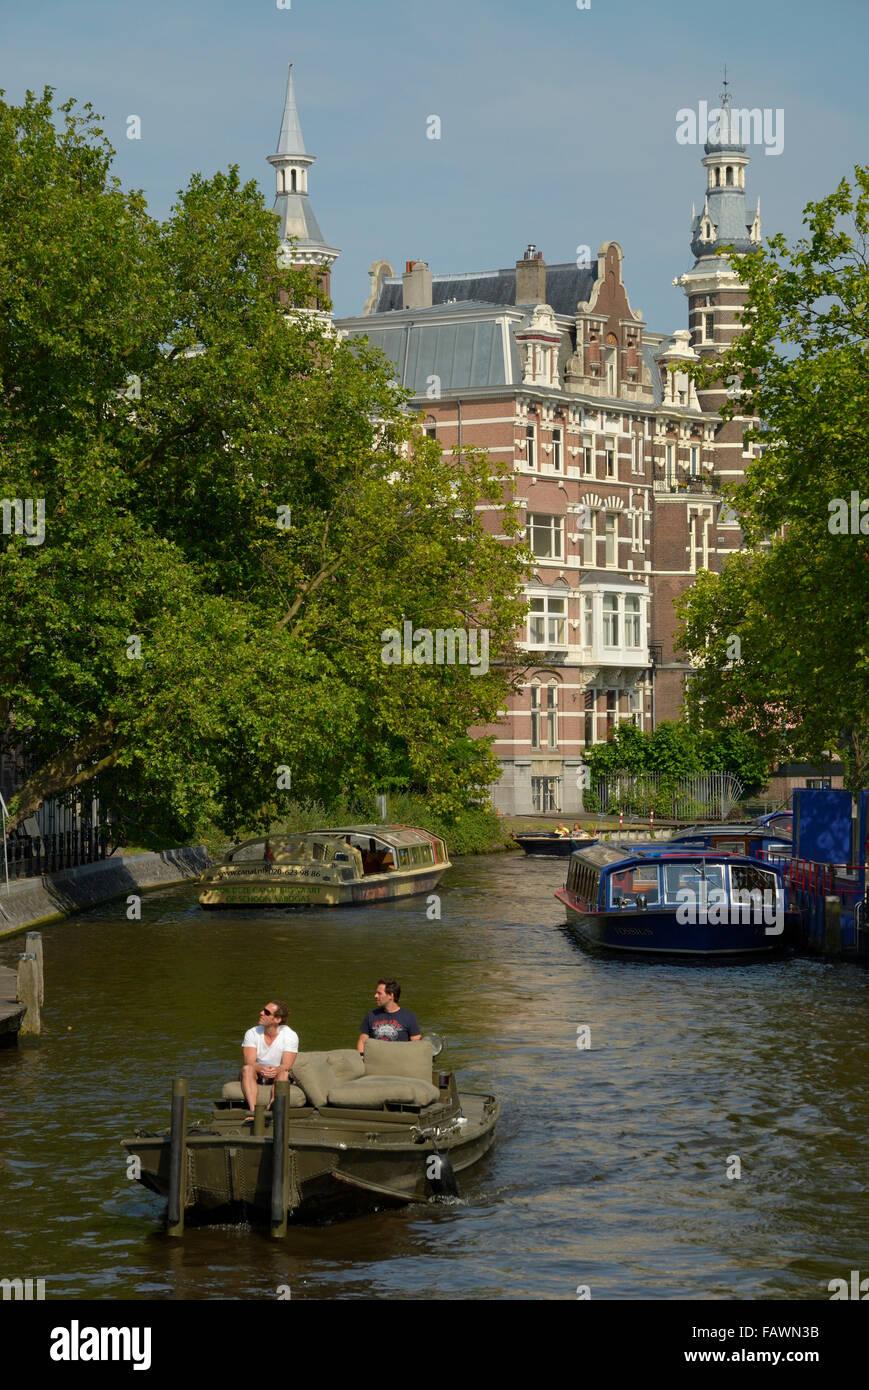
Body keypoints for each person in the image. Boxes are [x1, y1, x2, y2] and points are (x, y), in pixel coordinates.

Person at [241, 1000, 298, 1116]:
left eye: (267, 1012)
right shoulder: (252, 1033)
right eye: (263, 1010)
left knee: (284, 1072)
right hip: (257, 1073)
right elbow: (250, 1061)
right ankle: (253, 1112)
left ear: (277, 1019)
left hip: (278, 1073)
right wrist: (261, 1069)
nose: (261, 1013)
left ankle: (271, 1109)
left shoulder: (290, 1036)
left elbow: (287, 1065)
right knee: (247, 1069)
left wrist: (274, 1070)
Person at [356, 978, 421, 1053]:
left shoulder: (409, 1017)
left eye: (379, 993)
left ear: (390, 995)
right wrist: (362, 1060)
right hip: (376, 1062)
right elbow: (362, 1042)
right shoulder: (371, 1015)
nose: (375, 996)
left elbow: (416, 1044)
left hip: (400, 1062)